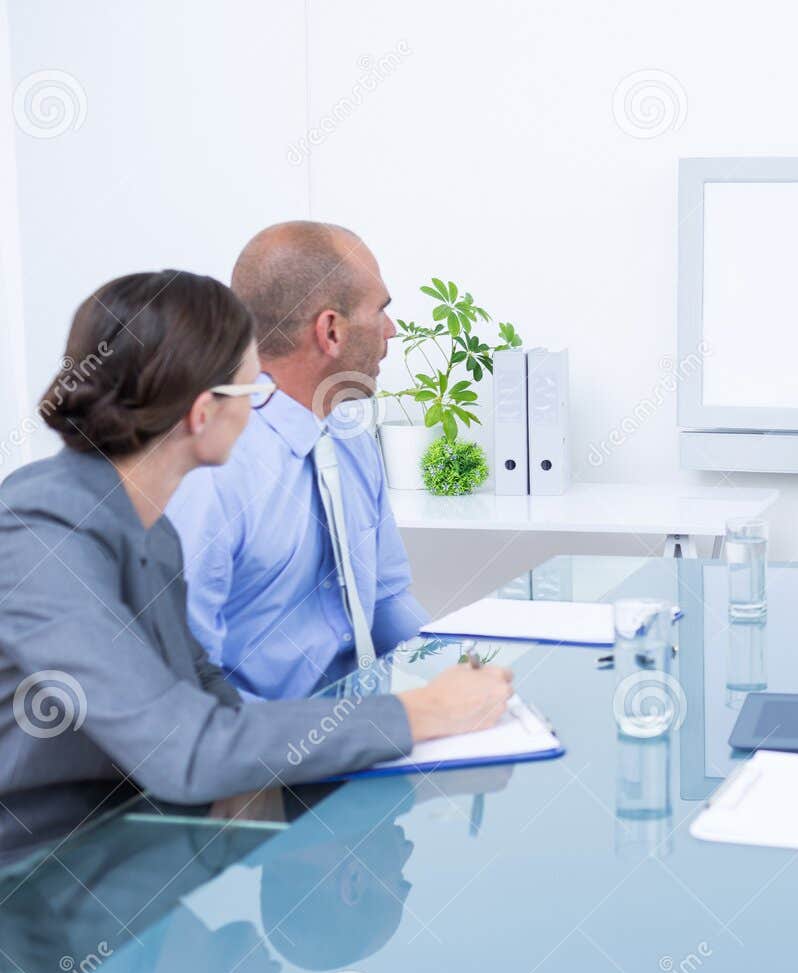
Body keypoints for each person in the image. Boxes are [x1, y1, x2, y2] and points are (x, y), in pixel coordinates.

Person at [0, 271, 512, 822]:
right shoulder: (40, 533)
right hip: (45, 857)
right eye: (255, 392)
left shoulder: (149, 527)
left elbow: (207, 696)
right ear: (203, 414)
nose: (265, 409)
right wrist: (418, 713)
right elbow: (186, 749)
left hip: (145, 834)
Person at [165, 221, 424, 700]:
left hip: (356, 724)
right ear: (331, 331)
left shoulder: (350, 437)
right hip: (262, 741)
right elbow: (183, 689)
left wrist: (456, 672)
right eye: (381, 310)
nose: (391, 330)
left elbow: (388, 599)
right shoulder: (211, 469)